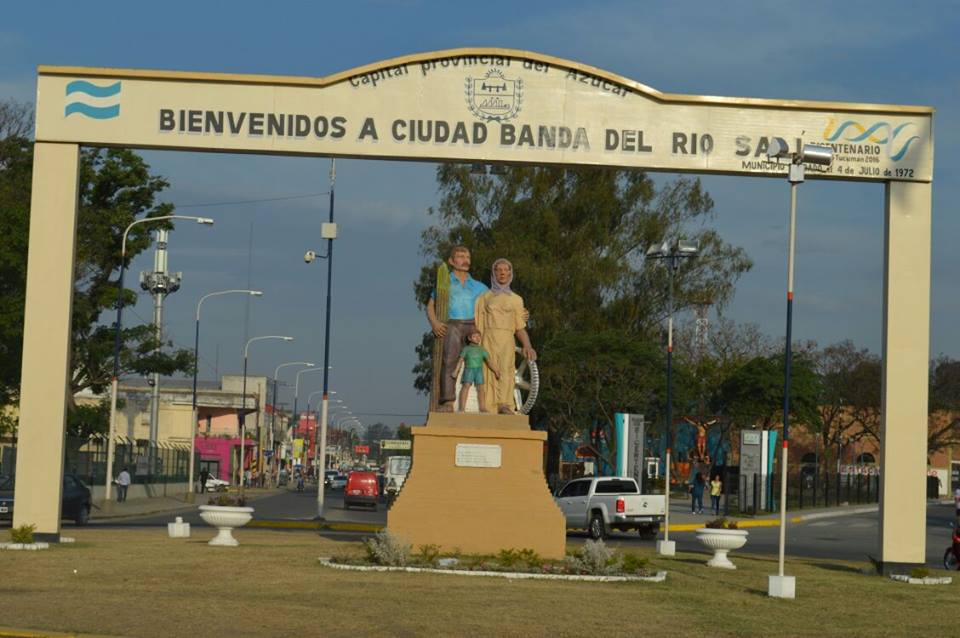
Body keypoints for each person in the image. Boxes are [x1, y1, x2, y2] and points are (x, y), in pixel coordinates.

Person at [427, 246, 489, 412]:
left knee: (487, 355)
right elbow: (431, 305)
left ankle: (490, 401)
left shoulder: (479, 286)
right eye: (461, 256)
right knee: (450, 358)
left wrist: (520, 313)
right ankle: (447, 401)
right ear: (451, 261)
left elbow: (496, 302)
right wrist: (435, 323)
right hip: (453, 323)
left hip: (474, 325)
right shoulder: (445, 282)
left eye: (468, 256)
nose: (465, 260)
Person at [474, 258, 537, 415]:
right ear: (493, 273)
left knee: (505, 371)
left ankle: (504, 405)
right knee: (487, 371)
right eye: (498, 270)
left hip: (507, 339)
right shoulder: (484, 298)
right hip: (487, 338)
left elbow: (520, 327)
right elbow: (477, 324)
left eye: (506, 270)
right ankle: (486, 406)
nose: (502, 273)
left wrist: (527, 345)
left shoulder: (516, 300)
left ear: (510, 273)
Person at [453, 330, 501, 412]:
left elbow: (489, 361)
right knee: (465, 387)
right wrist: (456, 371)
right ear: (470, 338)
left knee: (481, 389)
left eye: (479, 336)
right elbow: (460, 360)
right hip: (469, 370)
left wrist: (496, 370)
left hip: (479, 371)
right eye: (475, 336)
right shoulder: (466, 349)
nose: (477, 338)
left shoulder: (482, 349)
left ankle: (482, 407)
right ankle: (462, 407)